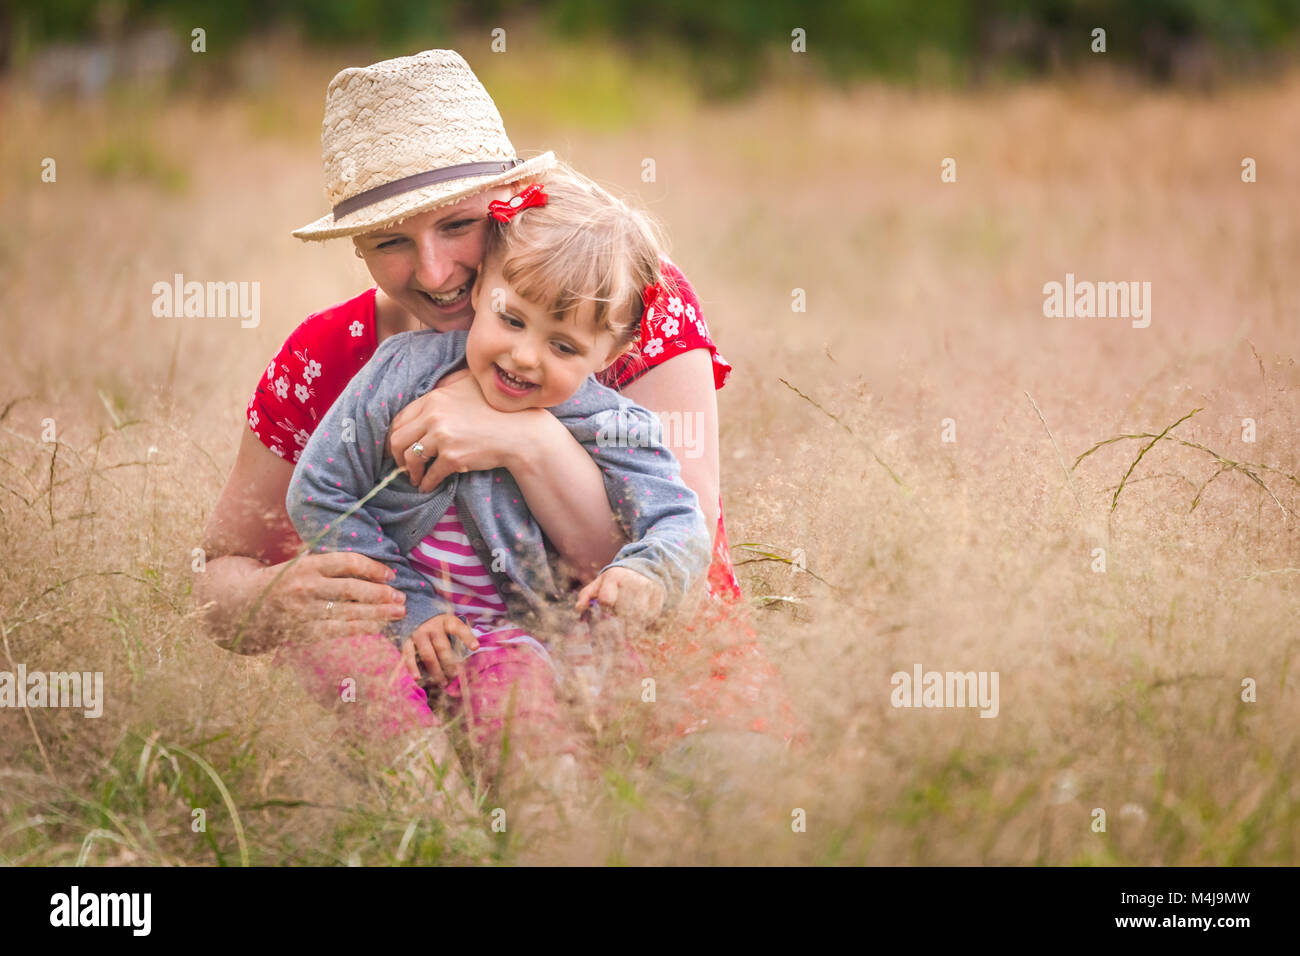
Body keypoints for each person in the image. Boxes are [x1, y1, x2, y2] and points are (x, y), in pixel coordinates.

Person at [194, 48, 798, 749]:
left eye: (457, 224)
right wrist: (272, 601)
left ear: (510, 204)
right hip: (448, 735)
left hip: (670, 709)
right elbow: (219, 574)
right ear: (357, 247)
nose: (434, 270)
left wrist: (524, 438)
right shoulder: (330, 357)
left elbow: (677, 564)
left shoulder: (619, 302)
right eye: (391, 240)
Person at [287, 168, 712, 768]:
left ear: (612, 355)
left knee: (523, 730)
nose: (523, 355)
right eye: (511, 320)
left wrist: (649, 573)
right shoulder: (400, 371)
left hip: (513, 638)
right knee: (359, 683)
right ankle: (430, 817)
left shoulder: (615, 424)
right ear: (482, 285)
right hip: (393, 625)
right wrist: (410, 605)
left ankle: (540, 831)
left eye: (562, 346)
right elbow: (318, 490)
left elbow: (680, 520)